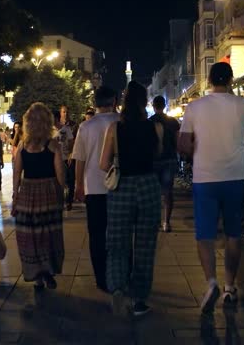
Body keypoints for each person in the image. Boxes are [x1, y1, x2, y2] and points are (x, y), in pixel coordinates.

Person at [178, 62, 244, 313]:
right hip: (235, 175)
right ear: (231, 80)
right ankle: (229, 286)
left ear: (209, 80)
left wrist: (197, 153)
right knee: (234, 233)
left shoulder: (195, 106)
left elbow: (182, 143)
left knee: (205, 235)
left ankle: (211, 281)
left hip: (205, 176)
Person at [100, 81, 163, 317]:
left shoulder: (115, 129)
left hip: (121, 188)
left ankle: (117, 287)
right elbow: (156, 154)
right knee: (145, 245)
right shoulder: (154, 128)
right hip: (148, 186)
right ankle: (139, 300)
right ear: (144, 102)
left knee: (117, 243)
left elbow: (103, 164)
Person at [12, 103, 66, 290]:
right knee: (48, 233)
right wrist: (61, 195)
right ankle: (48, 270)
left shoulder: (22, 145)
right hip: (48, 193)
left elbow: (17, 173)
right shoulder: (52, 145)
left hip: (27, 194)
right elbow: (60, 174)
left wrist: (15, 198)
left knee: (31, 235)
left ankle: (36, 275)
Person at [72, 86, 120, 293]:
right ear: (114, 101)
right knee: (120, 232)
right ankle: (120, 273)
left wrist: (78, 185)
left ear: (95, 104)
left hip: (93, 187)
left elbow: (79, 159)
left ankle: (101, 277)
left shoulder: (86, 126)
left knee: (97, 234)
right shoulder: (121, 121)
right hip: (119, 185)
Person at [150, 95, 180, 232]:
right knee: (168, 191)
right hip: (169, 158)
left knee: (155, 192)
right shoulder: (173, 122)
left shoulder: (149, 122)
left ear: (153, 106)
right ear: (164, 105)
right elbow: (177, 140)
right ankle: (166, 222)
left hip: (154, 160)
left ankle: (156, 221)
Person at [55, 106, 77, 211]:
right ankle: (60, 200)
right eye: (63, 112)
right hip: (56, 159)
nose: (65, 114)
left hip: (67, 157)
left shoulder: (73, 126)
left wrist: (71, 154)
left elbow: (73, 141)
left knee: (70, 180)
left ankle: (69, 201)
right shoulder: (52, 128)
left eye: (67, 112)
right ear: (60, 113)